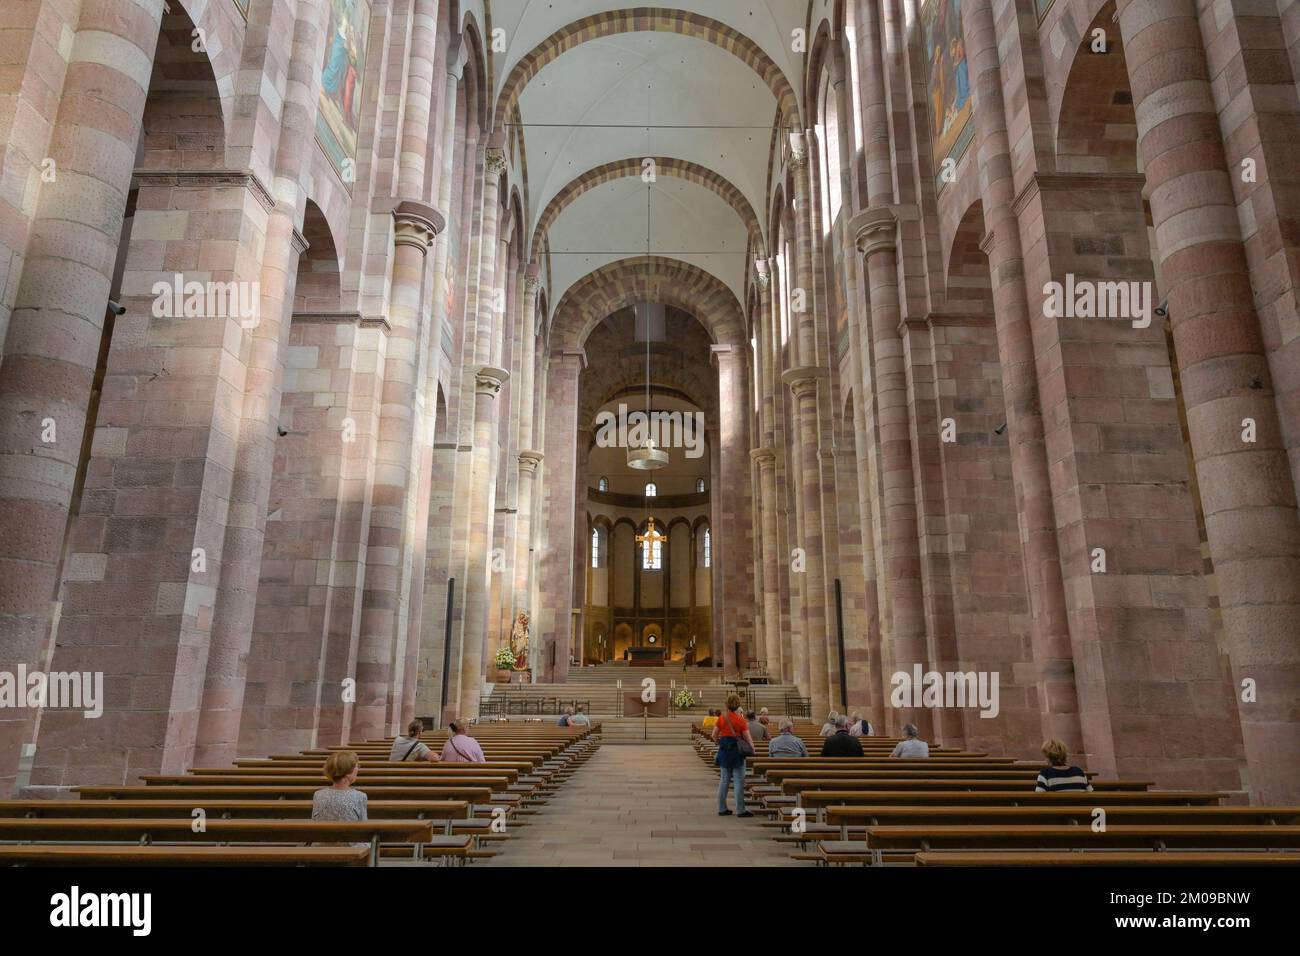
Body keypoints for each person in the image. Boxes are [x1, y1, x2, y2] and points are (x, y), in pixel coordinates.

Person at [711, 694, 755, 817]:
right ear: (738, 705)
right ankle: (740, 810)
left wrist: (719, 743)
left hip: (725, 751)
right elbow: (747, 737)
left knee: (724, 780)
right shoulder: (741, 720)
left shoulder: (721, 718)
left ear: (726, 705)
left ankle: (722, 808)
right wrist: (752, 748)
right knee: (738, 781)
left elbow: (714, 734)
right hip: (737, 753)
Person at [312, 750, 368, 846]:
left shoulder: (318, 794)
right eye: (356, 766)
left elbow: (314, 821)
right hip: (351, 849)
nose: (358, 769)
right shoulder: (360, 796)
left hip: (324, 846)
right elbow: (363, 828)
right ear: (348, 772)